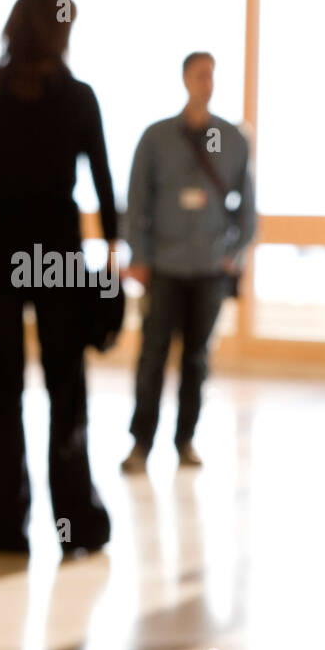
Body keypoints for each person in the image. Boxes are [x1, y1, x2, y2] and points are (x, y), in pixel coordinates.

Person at [0, 0, 118, 555]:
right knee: (65, 390)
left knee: (6, 390)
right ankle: (76, 521)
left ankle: (6, 524)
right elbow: (101, 179)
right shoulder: (78, 98)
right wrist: (114, 251)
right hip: (57, 259)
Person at [121, 51, 255, 472]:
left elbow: (246, 208)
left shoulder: (232, 140)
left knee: (197, 359)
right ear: (185, 80)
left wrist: (233, 254)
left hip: (209, 270)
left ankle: (186, 440)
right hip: (164, 267)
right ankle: (141, 443)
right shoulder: (156, 137)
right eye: (200, 75)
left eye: (212, 76)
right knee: (153, 356)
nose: (206, 83)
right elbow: (137, 201)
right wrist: (138, 257)